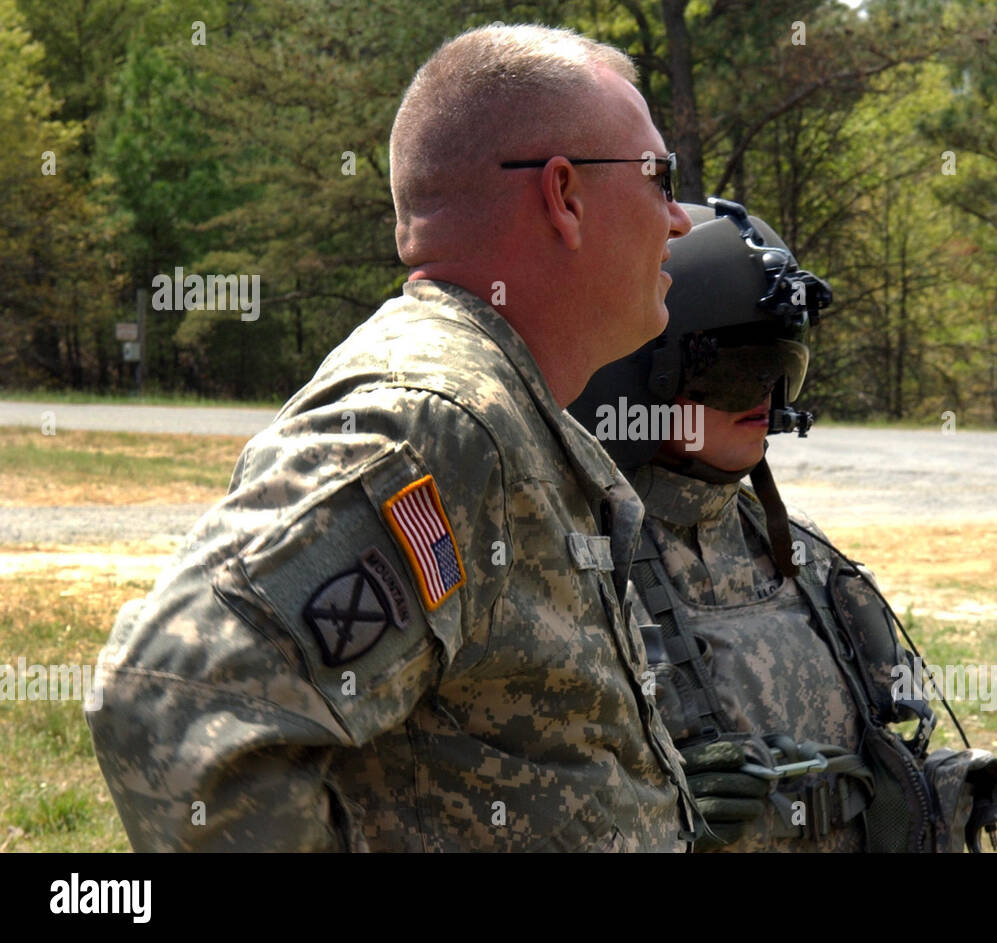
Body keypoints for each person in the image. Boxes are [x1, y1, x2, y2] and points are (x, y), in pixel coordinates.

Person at [86, 24, 699, 852]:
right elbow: (174, 700)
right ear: (565, 195)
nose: (680, 220)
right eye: (659, 176)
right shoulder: (435, 420)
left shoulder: (501, 409)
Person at [571, 198, 997, 852]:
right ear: (632, 382)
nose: (764, 396)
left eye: (783, 365)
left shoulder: (808, 560)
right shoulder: (575, 570)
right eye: (736, 371)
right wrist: (646, 807)